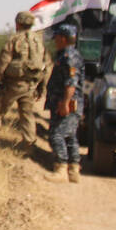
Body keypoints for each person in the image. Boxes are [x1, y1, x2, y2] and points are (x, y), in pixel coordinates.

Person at [0, 10, 49, 153]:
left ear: (18, 23)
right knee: (27, 116)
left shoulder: (15, 39)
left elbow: (4, 59)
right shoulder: (38, 42)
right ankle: (29, 147)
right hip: (31, 85)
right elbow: (46, 66)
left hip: (12, 84)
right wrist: (41, 87)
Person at [43, 23, 84, 183]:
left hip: (66, 103)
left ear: (62, 38)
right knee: (70, 136)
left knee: (56, 134)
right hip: (65, 102)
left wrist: (65, 103)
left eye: (57, 38)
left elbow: (70, 83)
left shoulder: (69, 57)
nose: (55, 41)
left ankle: (61, 169)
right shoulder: (67, 55)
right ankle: (74, 170)